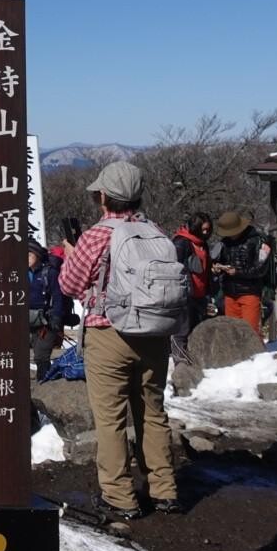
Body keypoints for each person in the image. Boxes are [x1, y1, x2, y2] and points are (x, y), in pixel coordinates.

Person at [58, 161, 182, 521]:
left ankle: (119, 497)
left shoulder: (96, 235)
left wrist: (71, 254)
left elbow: (68, 285)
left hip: (108, 333)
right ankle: (164, 490)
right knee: (153, 412)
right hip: (155, 334)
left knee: (110, 418)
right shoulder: (156, 231)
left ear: (102, 198)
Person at [210, 212, 270, 337]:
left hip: (250, 293)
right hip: (229, 293)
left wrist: (238, 272)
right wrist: (218, 268)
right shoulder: (225, 243)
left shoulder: (258, 241)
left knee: (250, 333)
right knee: (232, 332)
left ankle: (257, 357)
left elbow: (261, 270)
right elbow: (220, 260)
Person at [171, 212, 213, 354]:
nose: (206, 232)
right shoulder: (181, 242)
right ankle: (181, 363)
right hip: (186, 294)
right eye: (203, 229)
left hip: (200, 294)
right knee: (183, 331)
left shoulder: (203, 244)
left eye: (208, 229)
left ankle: (196, 360)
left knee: (198, 330)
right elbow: (174, 268)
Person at [27, 241, 67, 379]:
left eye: (29, 254)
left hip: (47, 321)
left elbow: (57, 296)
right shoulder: (19, 273)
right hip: (27, 319)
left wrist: (57, 317)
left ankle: (43, 380)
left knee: (41, 355)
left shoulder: (49, 272)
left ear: (37, 255)